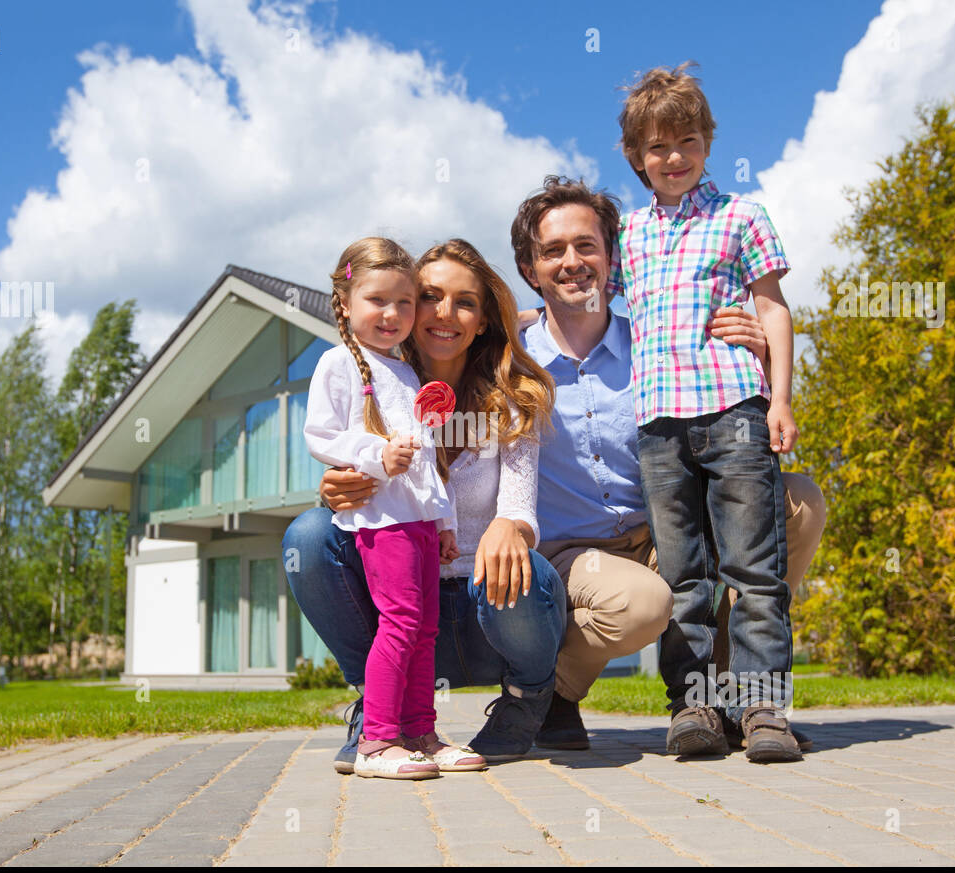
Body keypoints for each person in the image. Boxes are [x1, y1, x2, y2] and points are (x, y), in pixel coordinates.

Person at [510, 175, 826, 757]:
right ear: (531, 269)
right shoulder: (514, 361)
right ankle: (551, 691)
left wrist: (754, 341)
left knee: (799, 500)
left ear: (614, 260)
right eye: (552, 251)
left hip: (661, 531)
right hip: (573, 554)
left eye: (587, 246)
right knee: (644, 601)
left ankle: (740, 702)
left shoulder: (659, 349)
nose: (573, 262)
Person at [284, 239, 567, 770]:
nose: (441, 313)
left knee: (523, 564)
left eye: (465, 302)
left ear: (483, 319)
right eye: (429, 296)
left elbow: (516, 504)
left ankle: (519, 705)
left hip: (484, 604)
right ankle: (378, 721)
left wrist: (500, 523)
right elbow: (334, 437)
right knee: (309, 535)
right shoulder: (371, 373)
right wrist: (343, 482)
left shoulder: (504, 396)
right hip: (402, 566)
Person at [609, 63, 804, 761]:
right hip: (659, 424)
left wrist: (780, 397)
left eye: (687, 141)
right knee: (682, 576)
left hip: (735, 411)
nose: (674, 158)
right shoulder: (626, 235)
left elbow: (773, 308)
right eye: (658, 147)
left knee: (754, 568)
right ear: (637, 157)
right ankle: (694, 707)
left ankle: (762, 711)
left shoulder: (741, 217)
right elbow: (591, 311)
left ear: (708, 143)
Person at [303, 236, 482, 779]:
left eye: (405, 303)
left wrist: (444, 520)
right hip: (382, 520)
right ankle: (377, 742)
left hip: (419, 521)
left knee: (423, 627)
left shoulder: (406, 373)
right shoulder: (338, 365)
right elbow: (321, 435)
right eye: (377, 300)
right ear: (346, 301)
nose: (393, 314)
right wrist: (377, 456)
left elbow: (427, 457)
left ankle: (420, 731)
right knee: (400, 622)